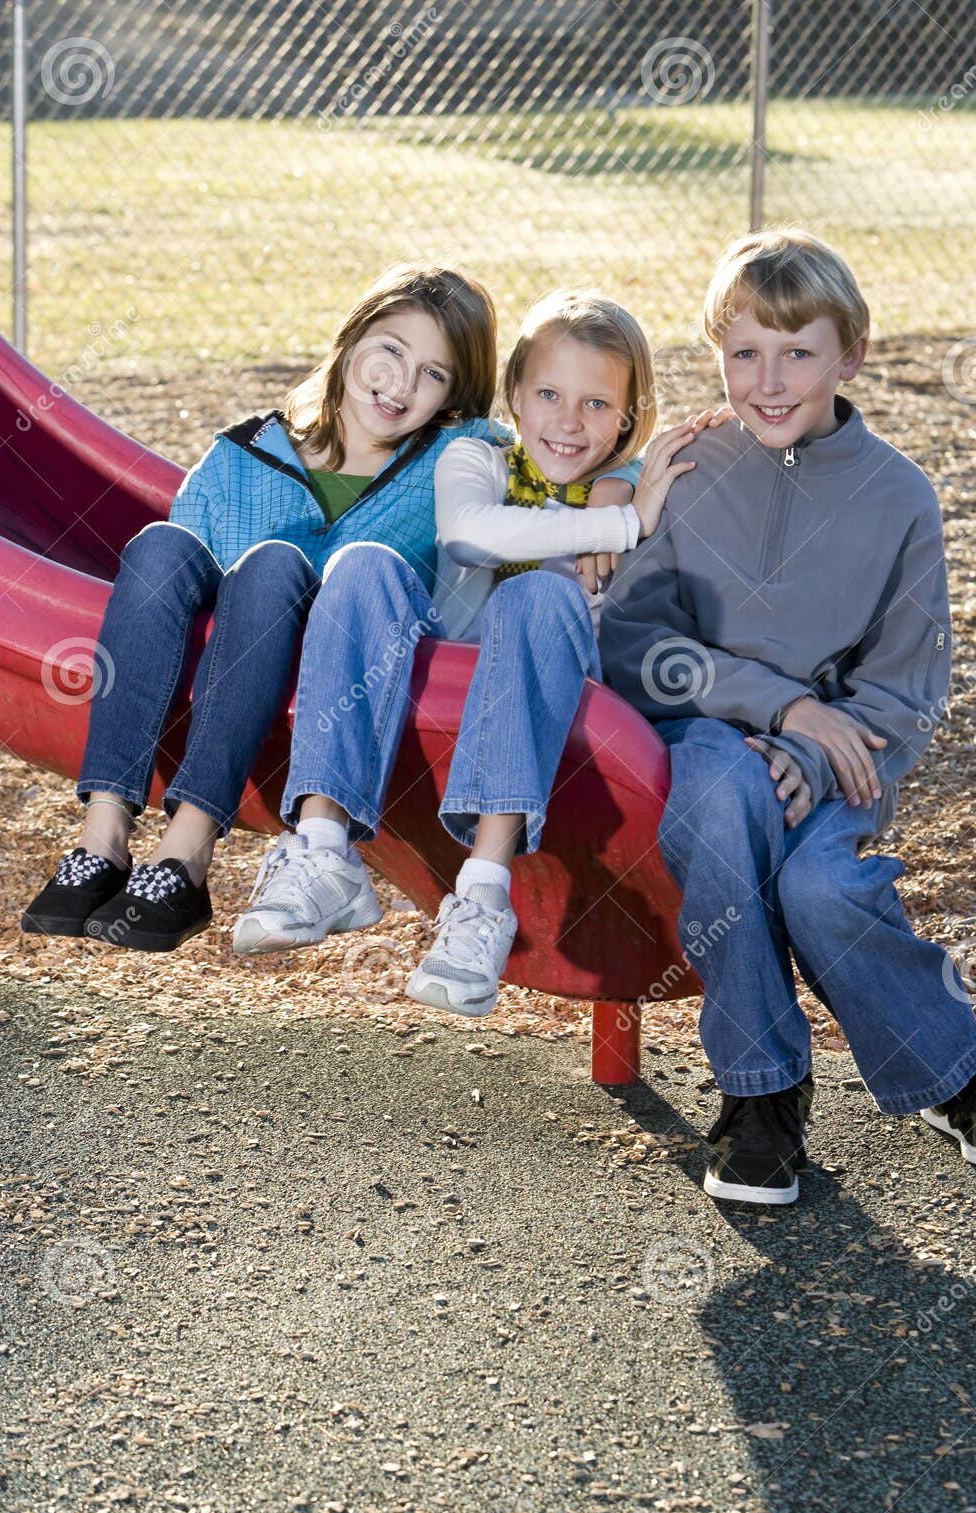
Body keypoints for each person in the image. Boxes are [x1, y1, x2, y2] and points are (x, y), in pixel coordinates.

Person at [599, 228, 976, 1204]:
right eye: (742, 352)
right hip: (701, 742)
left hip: (838, 768)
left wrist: (815, 741)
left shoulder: (897, 497)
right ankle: (761, 1093)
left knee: (817, 892)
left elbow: (903, 687)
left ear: (849, 355)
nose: (766, 380)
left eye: (796, 351)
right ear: (713, 350)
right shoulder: (682, 468)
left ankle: (957, 1068)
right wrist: (779, 704)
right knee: (719, 797)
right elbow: (634, 646)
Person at [233, 290, 748, 1018]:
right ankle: (321, 847)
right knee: (363, 565)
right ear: (512, 394)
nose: (568, 423)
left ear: (630, 417)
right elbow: (469, 535)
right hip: (429, 691)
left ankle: (481, 897)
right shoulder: (477, 457)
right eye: (547, 394)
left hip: (553, 719)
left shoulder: (628, 486)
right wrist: (614, 525)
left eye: (597, 405)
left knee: (535, 595)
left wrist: (623, 506)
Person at [21, 264, 499, 950]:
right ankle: (104, 835)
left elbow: (551, 455)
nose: (400, 384)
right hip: (228, 658)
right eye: (390, 350)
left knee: (275, 561)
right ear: (351, 339)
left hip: (340, 672)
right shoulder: (244, 454)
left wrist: (611, 500)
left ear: (455, 397)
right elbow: (184, 576)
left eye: (434, 374)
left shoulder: (454, 461)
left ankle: (186, 853)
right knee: (159, 544)